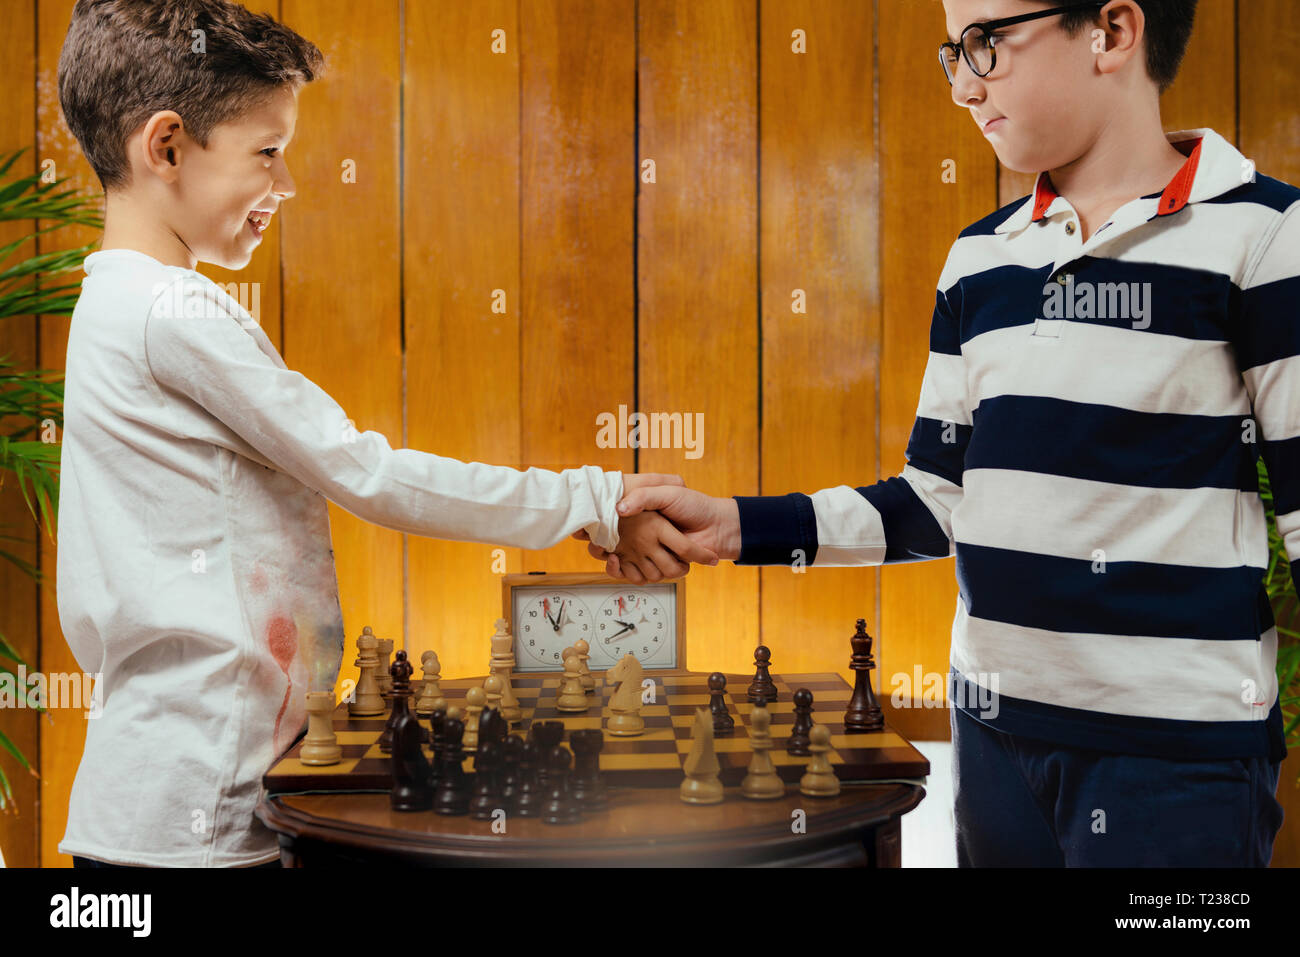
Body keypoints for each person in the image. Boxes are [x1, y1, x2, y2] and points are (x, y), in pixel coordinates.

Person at [590, 0, 1296, 866]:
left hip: (1178, 761)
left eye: (986, 45)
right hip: (996, 737)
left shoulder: (1267, 235)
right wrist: (738, 523)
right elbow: (938, 499)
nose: (963, 85)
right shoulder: (980, 258)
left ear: (1111, 32)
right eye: (950, 53)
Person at [53, 0, 716, 868]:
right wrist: (590, 498)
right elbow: (367, 472)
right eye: (266, 152)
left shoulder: (114, 302)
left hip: (159, 801)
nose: (285, 182)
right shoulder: (169, 310)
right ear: (167, 146)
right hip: (191, 818)